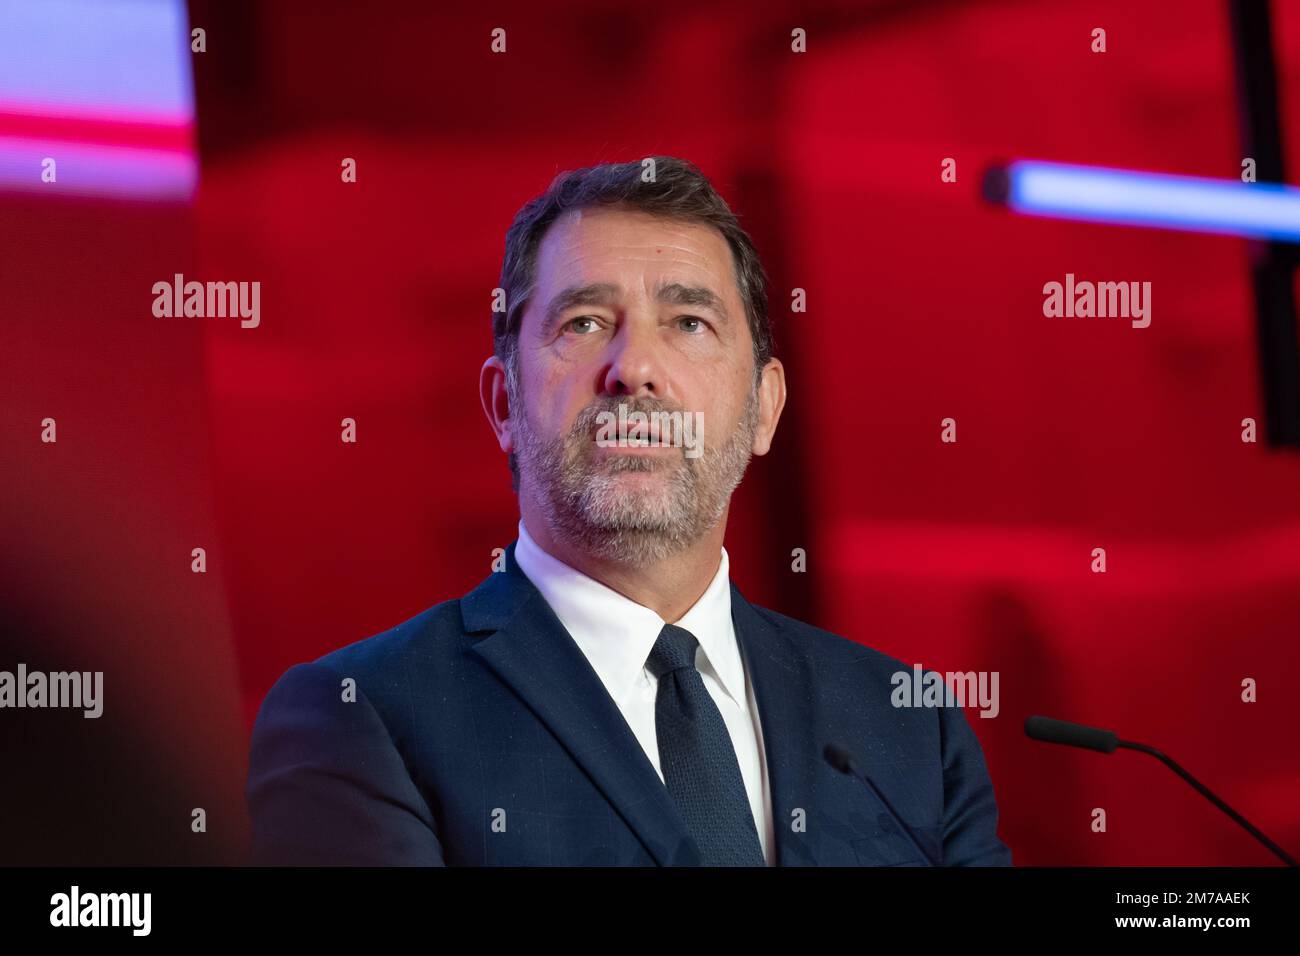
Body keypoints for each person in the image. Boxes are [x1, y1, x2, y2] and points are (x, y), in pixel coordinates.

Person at [246, 155, 1013, 866]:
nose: (634, 369)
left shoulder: (908, 725)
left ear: (764, 409)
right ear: (505, 403)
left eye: (689, 323)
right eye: (583, 323)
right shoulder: (360, 717)